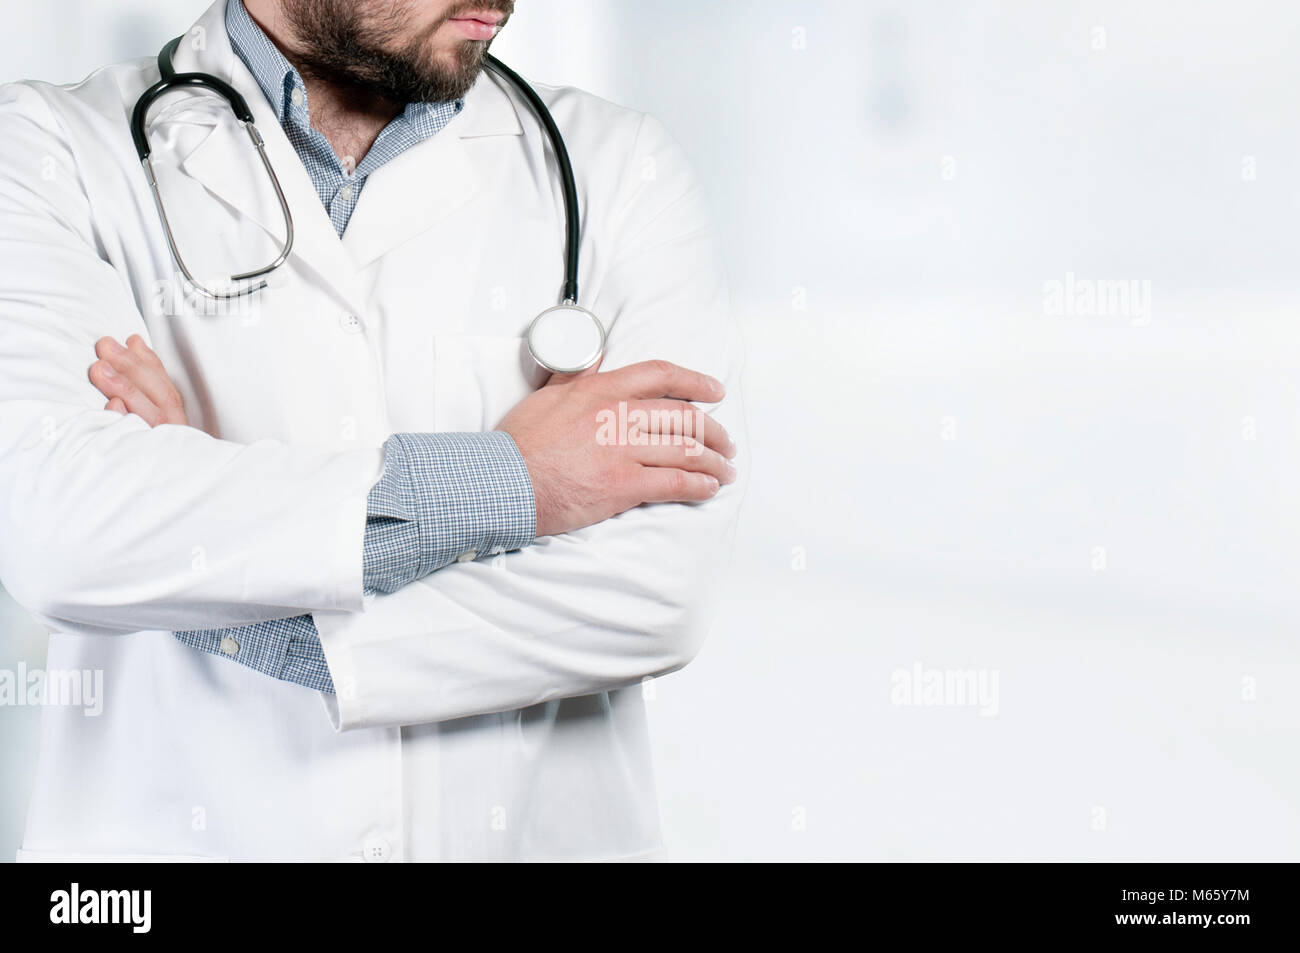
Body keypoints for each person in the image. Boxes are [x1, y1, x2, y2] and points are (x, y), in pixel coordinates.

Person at [0, 0, 745, 861]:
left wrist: (226, 607)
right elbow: (61, 527)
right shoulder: (48, 152)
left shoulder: (620, 169)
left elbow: (659, 589)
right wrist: (518, 480)